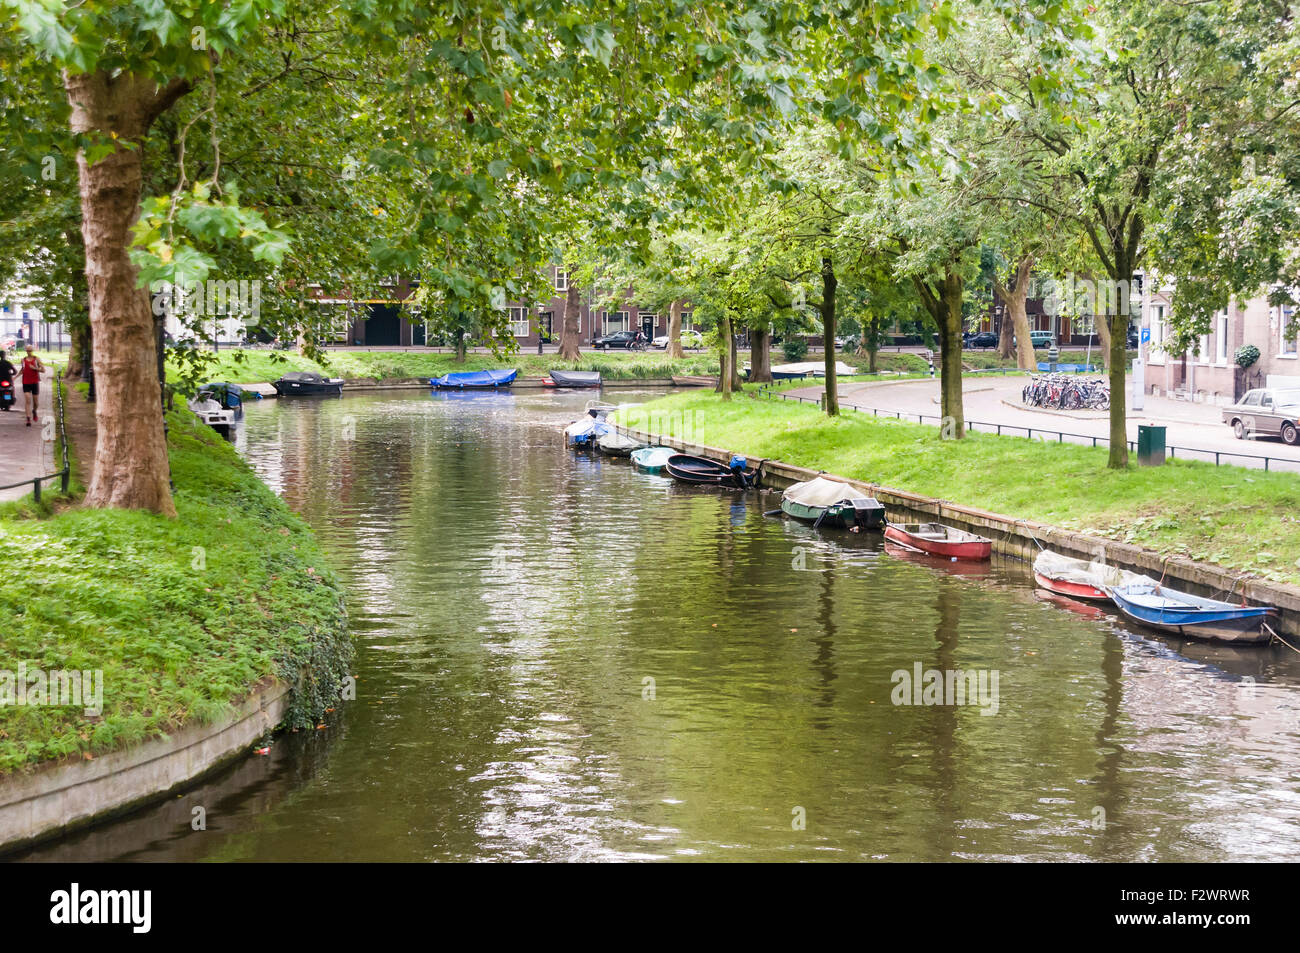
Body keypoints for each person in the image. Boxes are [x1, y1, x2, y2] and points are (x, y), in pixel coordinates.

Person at [20, 346, 43, 427]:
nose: (29, 352)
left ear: (32, 351)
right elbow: (22, 370)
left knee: (36, 402)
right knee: (28, 400)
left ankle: (34, 411)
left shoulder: (37, 359)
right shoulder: (23, 360)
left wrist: (35, 368)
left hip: (34, 382)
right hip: (26, 382)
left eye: (30, 350)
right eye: (27, 350)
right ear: (26, 351)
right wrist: (15, 377)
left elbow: (43, 370)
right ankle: (28, 418)